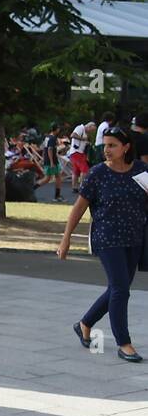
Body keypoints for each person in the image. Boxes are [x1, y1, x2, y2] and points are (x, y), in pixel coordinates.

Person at [59, 127, 148, 363]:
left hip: (134, 238)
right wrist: (66, 238)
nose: (106, 150)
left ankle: (84, 324)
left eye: (112, 145)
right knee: (120, 289)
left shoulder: (141, 171)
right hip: (107, 239)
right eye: (104, 145)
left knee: (116, 289)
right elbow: (78, 208)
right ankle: (124, 343)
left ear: (126, 147)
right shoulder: (97, 173)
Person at [68, 120, 95, 186]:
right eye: (91, 130)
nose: (91, 132)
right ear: (89, 126)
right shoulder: (80, 128)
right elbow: (72, 135)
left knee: (76, 171)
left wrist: (86, 142)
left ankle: (74, 187)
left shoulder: (84, 131)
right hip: (76, 152)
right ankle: (83, 186)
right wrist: (82, 139)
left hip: (76, 152)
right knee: (85, 169)